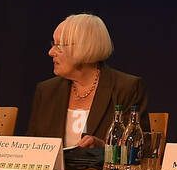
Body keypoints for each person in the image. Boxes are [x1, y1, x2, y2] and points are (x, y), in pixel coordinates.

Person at [26, 13, 149, 149]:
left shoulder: (126, 88)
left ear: (84, 47)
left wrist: (102, 147)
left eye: (59, 45)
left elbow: (137, 148)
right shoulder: (46, 91)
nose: (51, 52)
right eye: (52, 44)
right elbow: (32, 146)